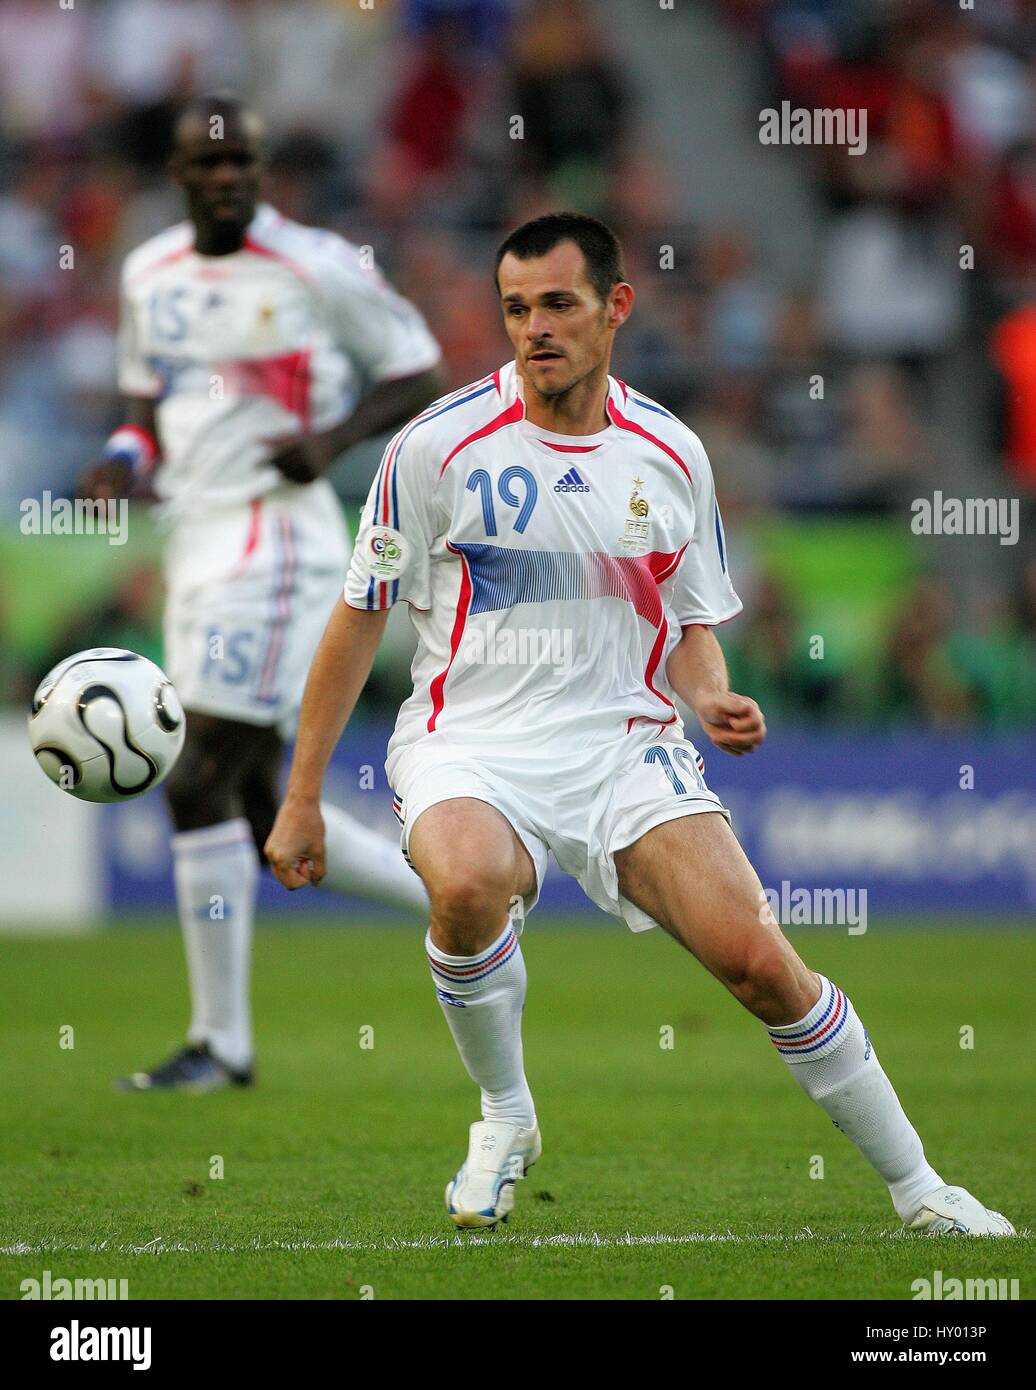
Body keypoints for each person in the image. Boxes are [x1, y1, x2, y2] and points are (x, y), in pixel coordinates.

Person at [265, 212, 1014, 1237]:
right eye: (516, 309)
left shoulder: (670, 452)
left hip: (624, 745)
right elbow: (357, 621)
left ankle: (921, 1188)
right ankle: (505, 1111)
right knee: (469, 882)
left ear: (616, 307)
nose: (534, 329)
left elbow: (688, 622)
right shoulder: (433, 448)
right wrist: (303, 797)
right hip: (469, 742)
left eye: (558, 305)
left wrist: (706, 696)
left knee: (757, 962)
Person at [81, 96, 445, 1092]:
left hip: (279, 542)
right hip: (195, 541)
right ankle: (460, 894)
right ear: (177, 174)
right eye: (210, 163)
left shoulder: (321, 264)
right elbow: (144, 397)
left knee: (193, 772)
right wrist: (121, 454)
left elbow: (418, 367)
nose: (229, 176)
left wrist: (329, 443)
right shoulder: (148, 273)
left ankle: (221, 1043)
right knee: (258, 804)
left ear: (263, 166)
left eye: (244, 159)